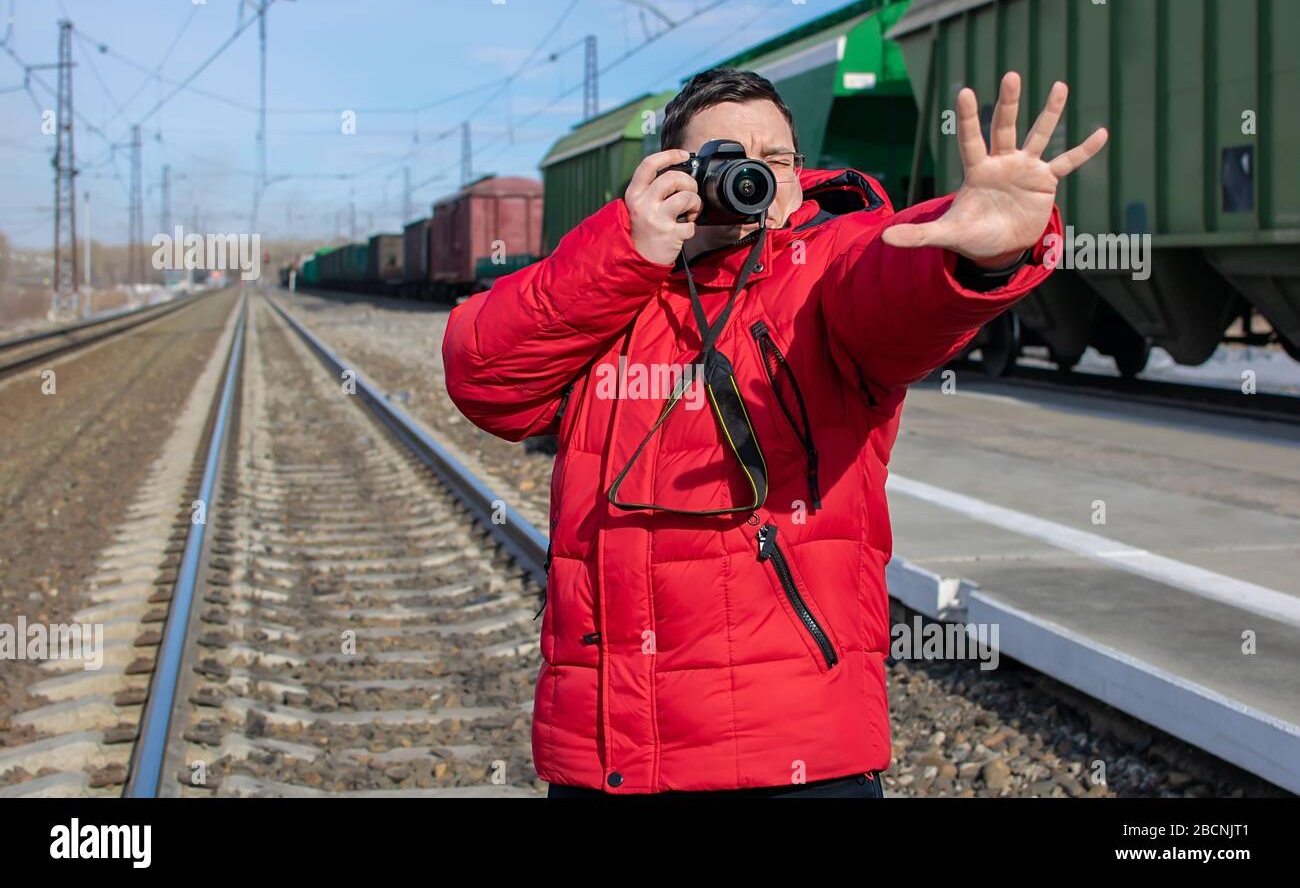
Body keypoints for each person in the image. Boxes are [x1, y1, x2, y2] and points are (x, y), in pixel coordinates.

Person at [442, 67, 1107, 797]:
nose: (754, 174)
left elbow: (890, 285)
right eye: (727, 157)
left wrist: (983, 257)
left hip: (794, 755)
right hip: (609, 756)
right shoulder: (620, 288)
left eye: (777, 158)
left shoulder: (826, 266)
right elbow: (484, 376)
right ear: (672, 173)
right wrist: (626, 249)